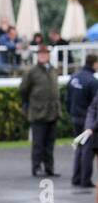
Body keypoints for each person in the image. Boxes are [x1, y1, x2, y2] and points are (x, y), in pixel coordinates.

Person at [19, 44, 59, 177]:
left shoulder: (53, 70)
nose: (43, 56)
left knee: (50, 143)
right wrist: (29, 103)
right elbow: (23, 89)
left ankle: (49, 168)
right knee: (38, 143)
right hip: (38, 112)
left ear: (48, 55)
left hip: (52, 112)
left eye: (45, 53)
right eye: (41, 54)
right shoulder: (32, 71)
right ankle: (36, 167)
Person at [66, 54, 97, 188]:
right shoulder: (92, 81)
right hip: (87, 121)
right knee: (87, 150)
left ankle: (76, 178)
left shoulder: (74, 77)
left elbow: (67, 98)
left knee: (79, 147)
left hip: (75, 116)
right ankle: (85, 180)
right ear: (94, 63)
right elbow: (94, 105)